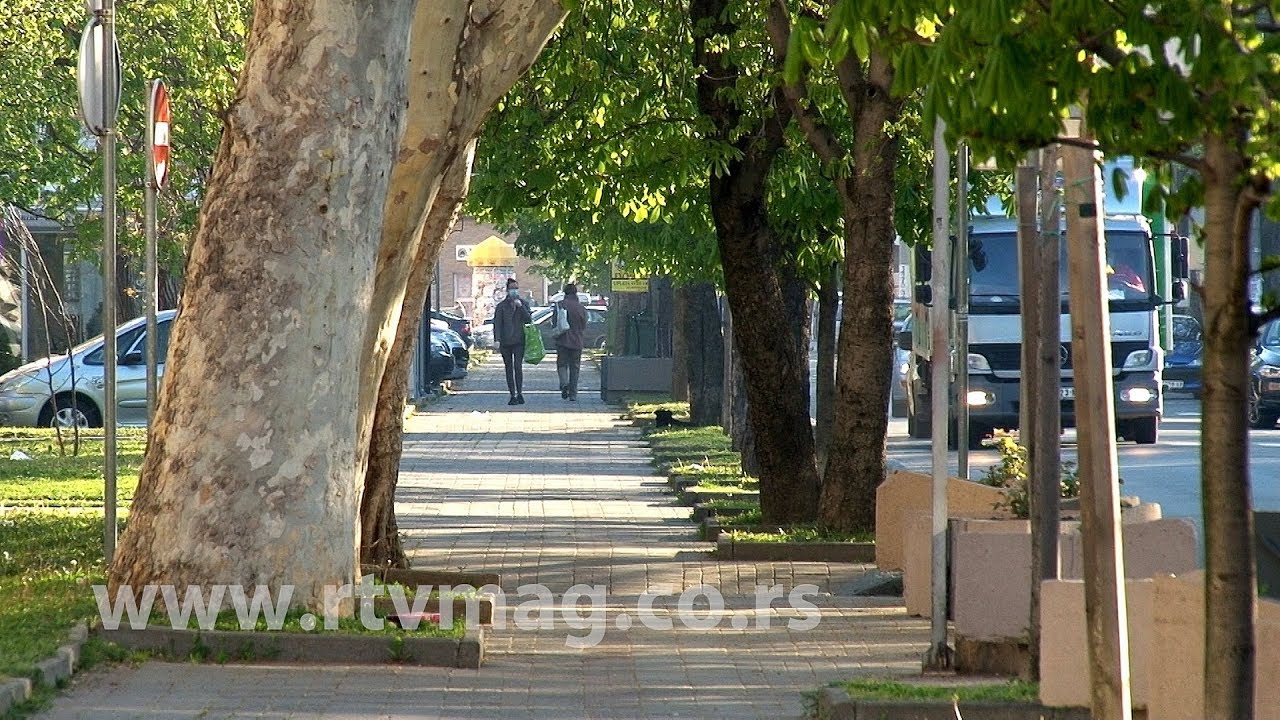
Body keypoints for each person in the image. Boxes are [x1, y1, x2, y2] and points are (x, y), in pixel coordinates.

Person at [494, 277, 532, 405]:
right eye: (512, 289)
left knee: (518, 367)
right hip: (505, 342)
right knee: (509, 368)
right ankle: (512, 394)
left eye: (516, 288)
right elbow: (497, 324)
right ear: (507, 290)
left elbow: (529, 320)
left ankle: (520, 393)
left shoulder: (523, 303)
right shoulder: (501, 306)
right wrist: (497, 339)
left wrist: (521, 307)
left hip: (519, 340)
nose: (514, 291)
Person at [554, 283, 589, 401]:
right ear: (575, 293)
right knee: (575, 367)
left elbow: (554, 323)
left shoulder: (560, 305)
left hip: (562, 340)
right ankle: (573, 393)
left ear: (565, 293)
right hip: (577, 341)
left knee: (562, 364)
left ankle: (564, 384)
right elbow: (584, 324)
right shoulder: (581, 308)